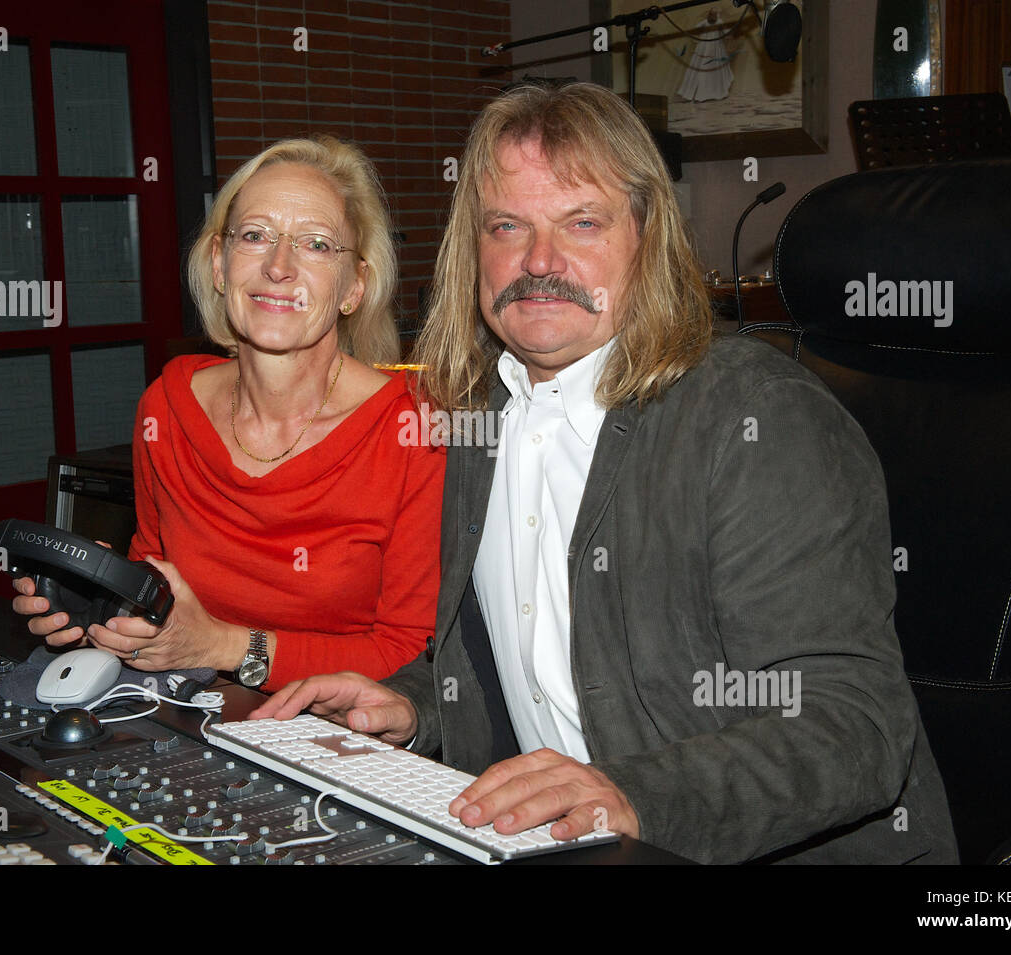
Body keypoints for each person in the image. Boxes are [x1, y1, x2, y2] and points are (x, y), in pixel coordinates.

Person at [251, 83, 959, 864]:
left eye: (581, 222)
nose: (539, 261)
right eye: (507, 226)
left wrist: (631, 794)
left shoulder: (759, 419)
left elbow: (853, 724)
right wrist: (414, 707)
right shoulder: (481, 414)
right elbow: (525, 658)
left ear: (646, 236)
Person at [12, 136, 444, 693]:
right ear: (219, 264)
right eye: (255, 236)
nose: (278, 267)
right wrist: (100, 601)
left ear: (354, 287)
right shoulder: (166, 408)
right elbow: (158, 587)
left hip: (334, 751)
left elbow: (410, 655)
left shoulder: (413, 433)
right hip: (188, 719)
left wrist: (224, 645)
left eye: (315, 244)